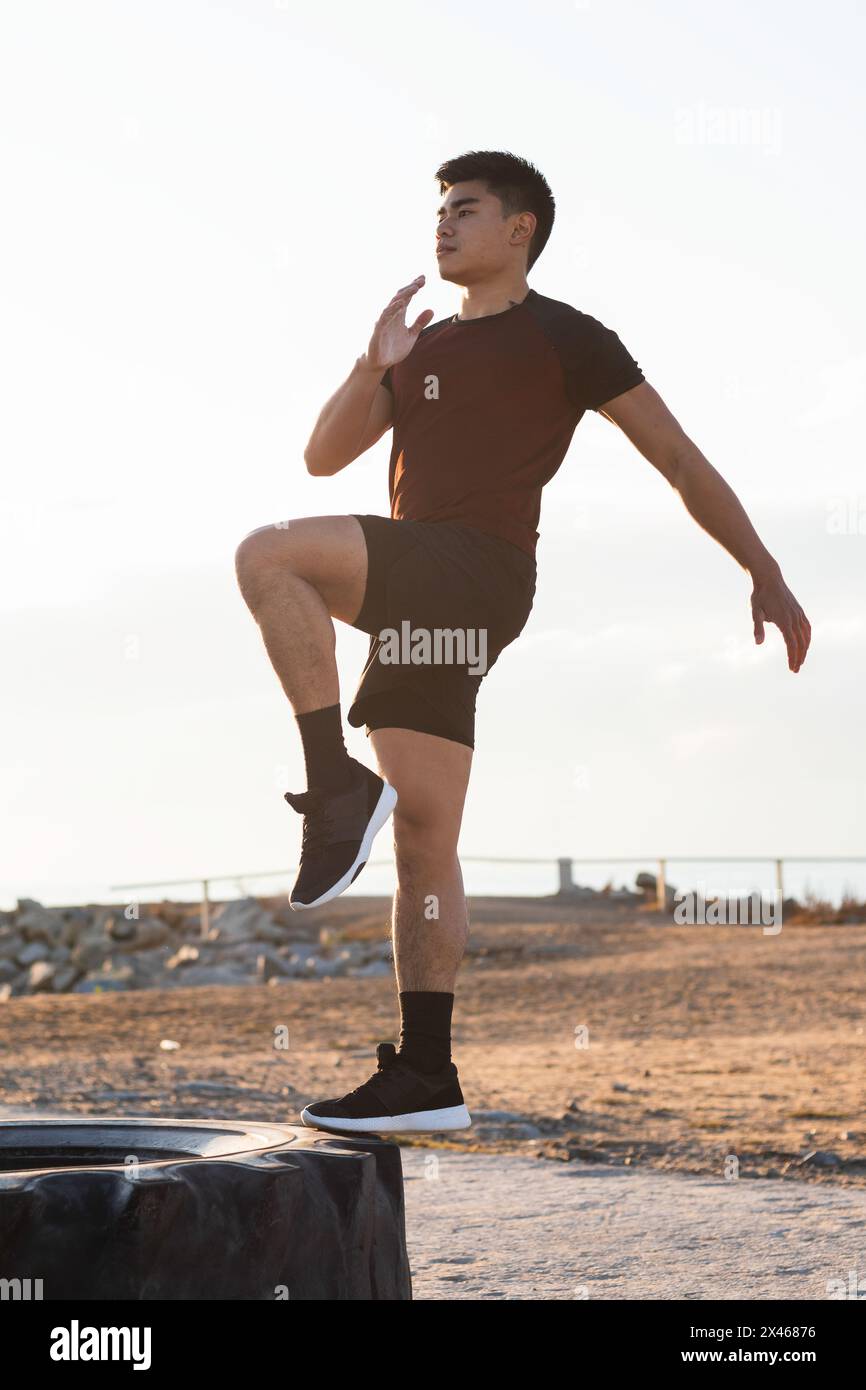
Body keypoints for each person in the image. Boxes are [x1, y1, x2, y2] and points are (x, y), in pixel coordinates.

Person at [234, 149, 811, 1135]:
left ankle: (332, 784)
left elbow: (674, 456)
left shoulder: (568, 338)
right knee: (424, 836)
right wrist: (370, 361)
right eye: (437, 213)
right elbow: (324, 453)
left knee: (268, 556)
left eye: (464, 209)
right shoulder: (416, 349)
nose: (442, 225)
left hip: (474, 567)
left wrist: (760, 565)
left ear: (519, 229)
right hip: (428, 594)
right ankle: (425, 1076)